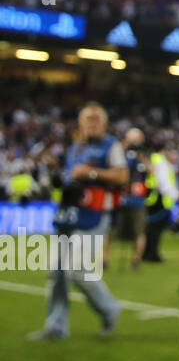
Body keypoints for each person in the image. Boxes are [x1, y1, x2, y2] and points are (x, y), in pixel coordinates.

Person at [27, 103, 125, 341]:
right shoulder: (75, 148)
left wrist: (90, 173)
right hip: (69, 214)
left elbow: (122, 176)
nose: (91, 124)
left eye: (96, 120)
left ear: (104, 124)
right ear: (80, 124)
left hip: (94, 214)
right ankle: (56, 326)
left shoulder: (111, 146)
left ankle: (109, 308)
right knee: (57, 272)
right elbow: (70, 178)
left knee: (76, 269)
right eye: (87, 120)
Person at [119, 127, 150, 271]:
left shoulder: (144, 156)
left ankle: (136, 261)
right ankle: (103, 260)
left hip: (138, 198)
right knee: (111, 230)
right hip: (121, 196)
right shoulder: (121, 154)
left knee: (139, 232)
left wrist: (141, 156)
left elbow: (151, 170)